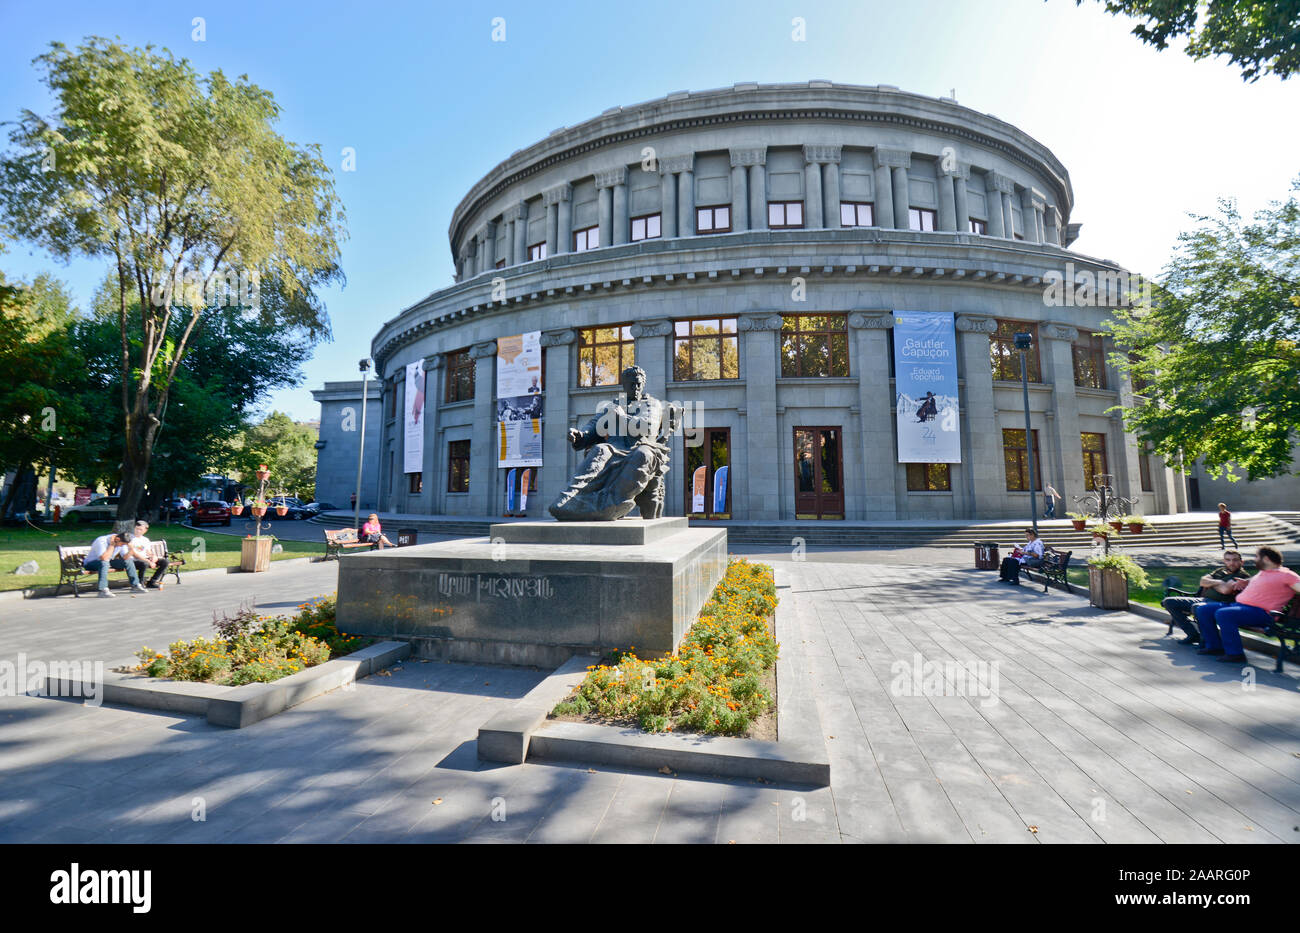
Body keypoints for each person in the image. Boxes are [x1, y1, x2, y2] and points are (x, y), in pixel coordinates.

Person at [1194, 546, 1300, 663]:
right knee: (1203, 610)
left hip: (1263, 613)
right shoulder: (1264, 572)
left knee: (1224, 614)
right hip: (1242, 607)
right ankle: (1214, 647)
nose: (1255, 559)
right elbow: (1260, 579)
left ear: (1266, 559)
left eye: (1257, 557)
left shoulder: (1287, 575)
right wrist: (1246, 581)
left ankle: (1236, 654)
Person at [1160, 550, 1249, 645]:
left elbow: (1225, 590)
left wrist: (1211, 583)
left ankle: (1208, 641)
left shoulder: (1242, 577)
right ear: (1224, 561)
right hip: (1204, 600)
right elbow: (1202, 581)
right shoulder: (1220, 571)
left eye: (1235, 560)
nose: (1231, 563)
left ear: (1241, 562)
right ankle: (1193, 635)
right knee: (1169, 602)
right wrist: (1219, 582)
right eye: (1228, 560)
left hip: (1220, 604)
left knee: (1198, 607)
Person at [83, 531, 147, 597]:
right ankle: (103, 590)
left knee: (128, 561)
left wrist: (131, 549)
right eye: (122, 544)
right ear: (117, 539)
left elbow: (125, 557)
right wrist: (112, 545)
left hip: (108, 561)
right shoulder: (101, 541)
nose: (122, 546)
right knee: (104, 563)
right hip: (91, 563)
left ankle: (135, 585)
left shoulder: (121, 541)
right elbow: (104, 558)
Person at [126, 520, 169, 589]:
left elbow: (148, 552)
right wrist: (148, 561)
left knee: (165, 562)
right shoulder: (129, 538)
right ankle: (140, 583)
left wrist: (153, 556)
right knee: (144, 563)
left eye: (140, 529)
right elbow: (134, 554)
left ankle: (152, 582)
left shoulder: (145, 540)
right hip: (134, 560)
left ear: (145, 530)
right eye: (136, 529)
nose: (138, 531)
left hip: (145, 559)